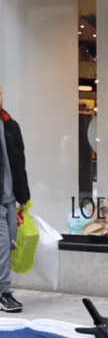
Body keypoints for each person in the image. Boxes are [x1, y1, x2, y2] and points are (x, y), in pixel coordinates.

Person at [0, 83, 30, 313]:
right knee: (1, 244)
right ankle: (4, 292)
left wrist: (23, 195)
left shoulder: (10, 125)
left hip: (10, 198)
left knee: (10, 241)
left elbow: (19, 162)